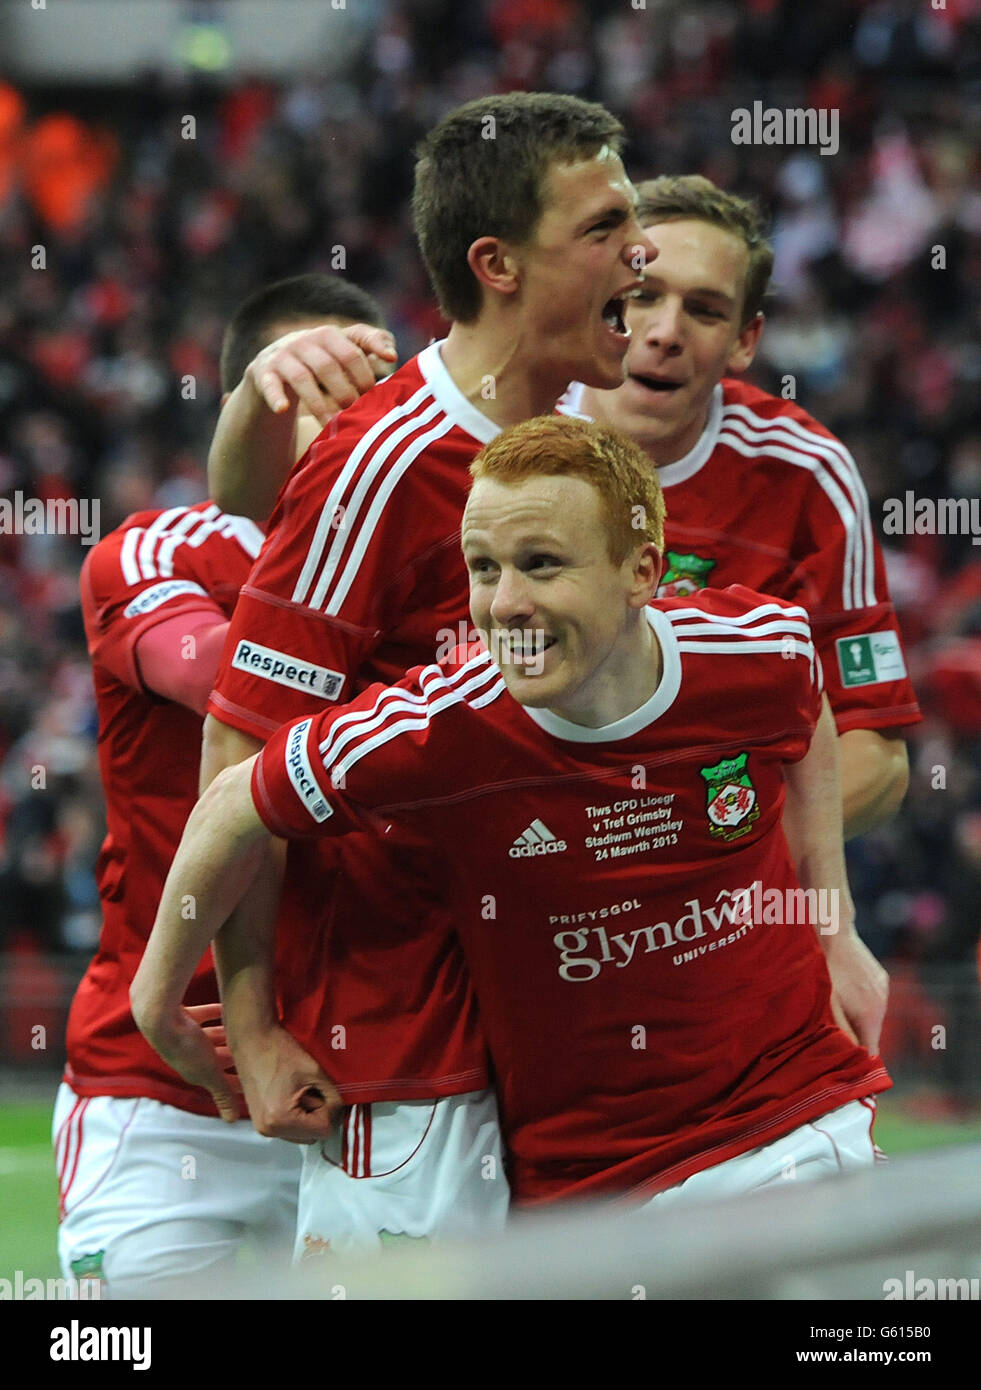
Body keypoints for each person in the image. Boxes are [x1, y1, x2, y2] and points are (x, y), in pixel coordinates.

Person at [133, 414, 889, 1210]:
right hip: (581, 1178)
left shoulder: (752, 648)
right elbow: (231, 805)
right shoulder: (438, 725)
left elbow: (806, 712)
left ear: (641, 572)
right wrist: (160, 1001)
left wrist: (832, 928)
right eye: (483, 568)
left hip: (789, 1117)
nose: (505, 605)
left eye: (541, 565)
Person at [145, 90, 653, 1258]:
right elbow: (243, 752)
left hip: (563, 1030)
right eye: (603, 227)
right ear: (498, 265)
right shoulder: (380, 461)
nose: (639, 249)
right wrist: (255, 1022)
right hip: (409, 1052)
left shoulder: (590, 450)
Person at [54, 274, 393, 1297]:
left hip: (369, 1082)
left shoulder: (445, 561)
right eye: (325, 387)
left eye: (379, 389)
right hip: (160, 1087)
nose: (362, 419)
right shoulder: (158, 550)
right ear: (256, 406)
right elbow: (225, 681)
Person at [561, 174, 922, 1053]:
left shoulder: (803, 474)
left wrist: (705, 853)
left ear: (746, 338)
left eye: (705, 309)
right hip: (519, 899)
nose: (664, 331)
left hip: (727, 918)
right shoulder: (492, 433)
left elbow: (877, 755)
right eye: (642, 295)